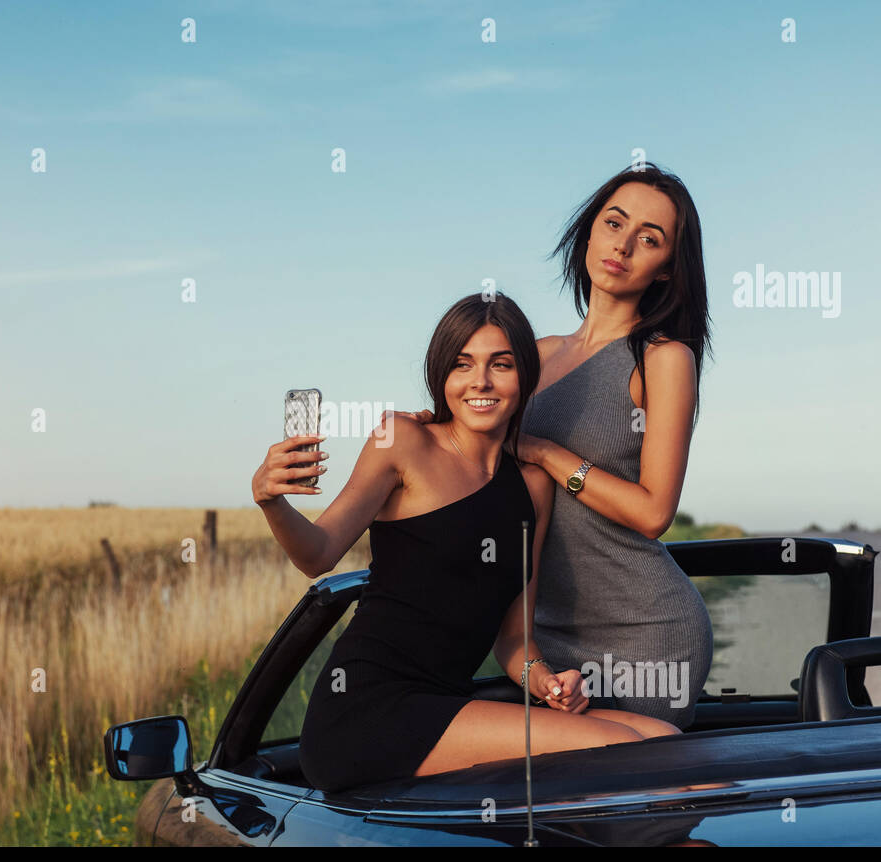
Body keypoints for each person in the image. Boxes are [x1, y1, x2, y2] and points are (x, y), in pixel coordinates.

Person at [251, 293, 679, 794]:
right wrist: (270, 501)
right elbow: (317, 555)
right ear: (442, 376)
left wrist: (547, 683)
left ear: (525, 377)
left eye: (501, 364)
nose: (480, 381)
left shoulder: (535, 488)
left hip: (448, 707)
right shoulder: (403, 441)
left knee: (665, 739)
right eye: (462, 365)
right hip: (366, 712)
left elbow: (516, 640)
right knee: (631, 751)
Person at [386, 163, 714, 728]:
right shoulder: (534, 354)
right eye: (615, 223)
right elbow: (478, 446)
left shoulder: (664, 359)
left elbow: (654, 511)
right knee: (552, 808)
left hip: (647, 637)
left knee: (621, 803)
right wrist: (436, 429)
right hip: (539, 641)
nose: (624, 244)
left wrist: (545, 453)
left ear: (666, 270)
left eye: (650, 238)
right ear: (589, 232)